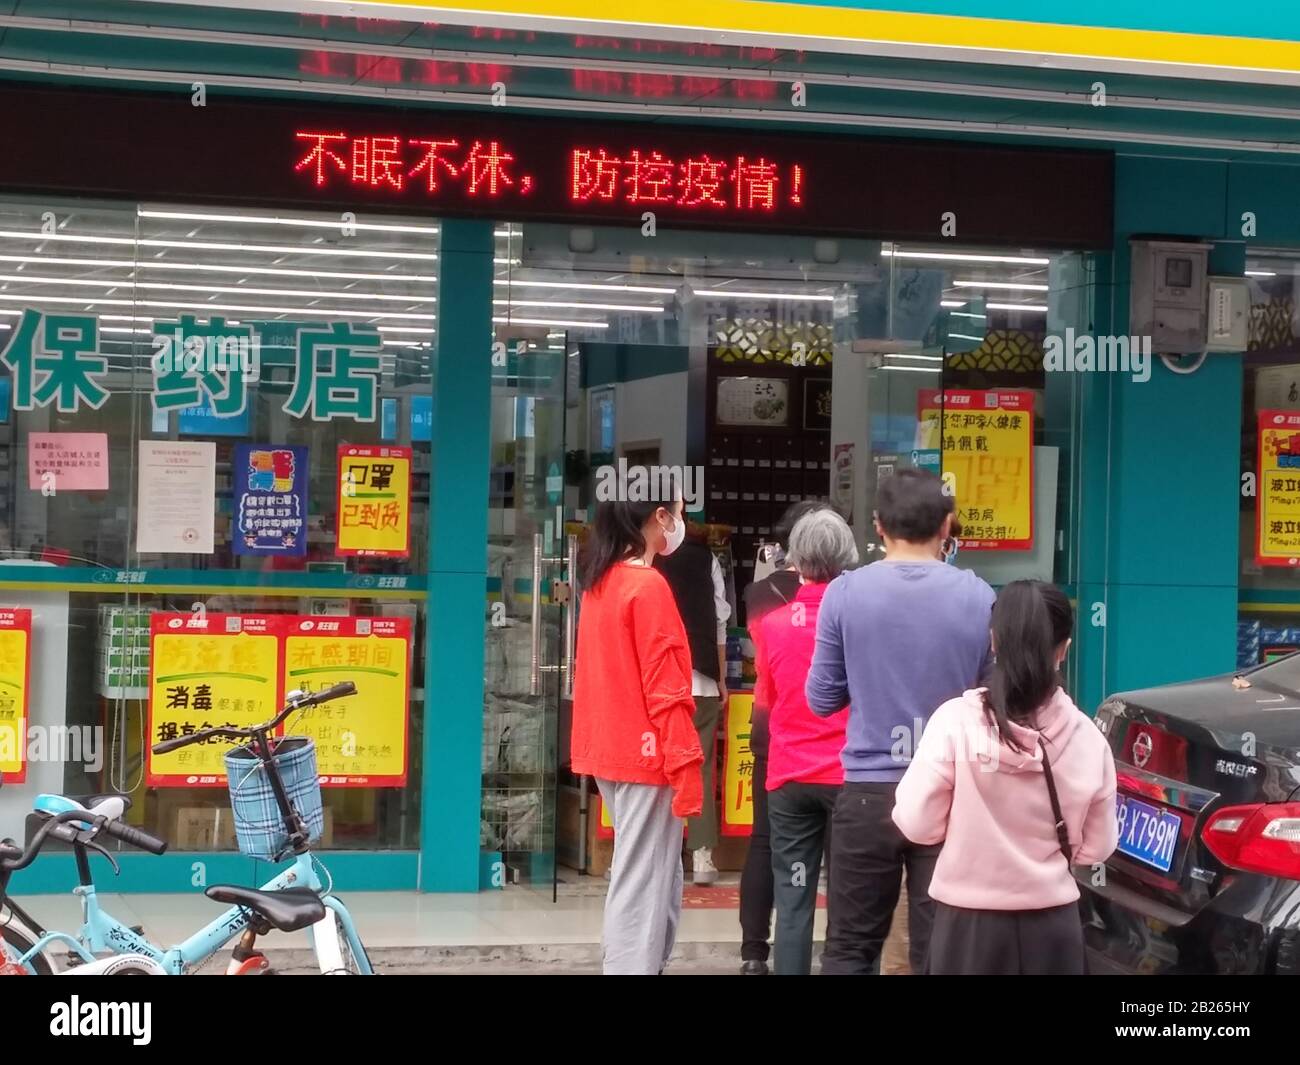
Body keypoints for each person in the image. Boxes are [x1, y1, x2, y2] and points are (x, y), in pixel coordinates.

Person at [805, 468, 995, 975]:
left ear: (877, 525)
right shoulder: (979, 597)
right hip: (951, 796)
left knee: (849, 948)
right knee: (941, 952)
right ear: (948, 526)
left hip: (868, 793)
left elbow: (820, 698)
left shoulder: (843, 595)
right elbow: (992, 699)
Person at [892, 581, 1117, 974]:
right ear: (1063, 648)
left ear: (995, 641)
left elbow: (916, 823)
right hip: (1053, 932)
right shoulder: (1088, 738)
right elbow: (1097, 848)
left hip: (967, 931)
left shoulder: (954, 723)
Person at [571, 492, 704, 975]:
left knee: (651, 874)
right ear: (659, 518)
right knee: (645, 879)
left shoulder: (600, 582)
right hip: (648, 749)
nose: (682, 525)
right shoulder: (646, 586)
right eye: (679, 514)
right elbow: (665, 682)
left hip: (609, 743)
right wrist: (682, 756)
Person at [757, 508, 858, 975]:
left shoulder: (773, 624)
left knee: (793, 899)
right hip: (850, 778)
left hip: (790, 776)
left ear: (795, 560)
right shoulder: (860, 622)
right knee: (852, 906)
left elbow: (768, 698)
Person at [737, 498, 828, 975]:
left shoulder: (758, 592)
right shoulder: (845, 595)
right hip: (829, 738)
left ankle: (755, 952)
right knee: (837, 854)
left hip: (772, 728)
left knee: (764, 842)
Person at [654, 520, 731, 885]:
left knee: (654, 769)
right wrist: (721, 678)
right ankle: (702, 857)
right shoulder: (707, 560)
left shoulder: (648, 559)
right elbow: (719, 622)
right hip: (700, 680)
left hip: (658, 681)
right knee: (699, 768)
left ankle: (655, 856)